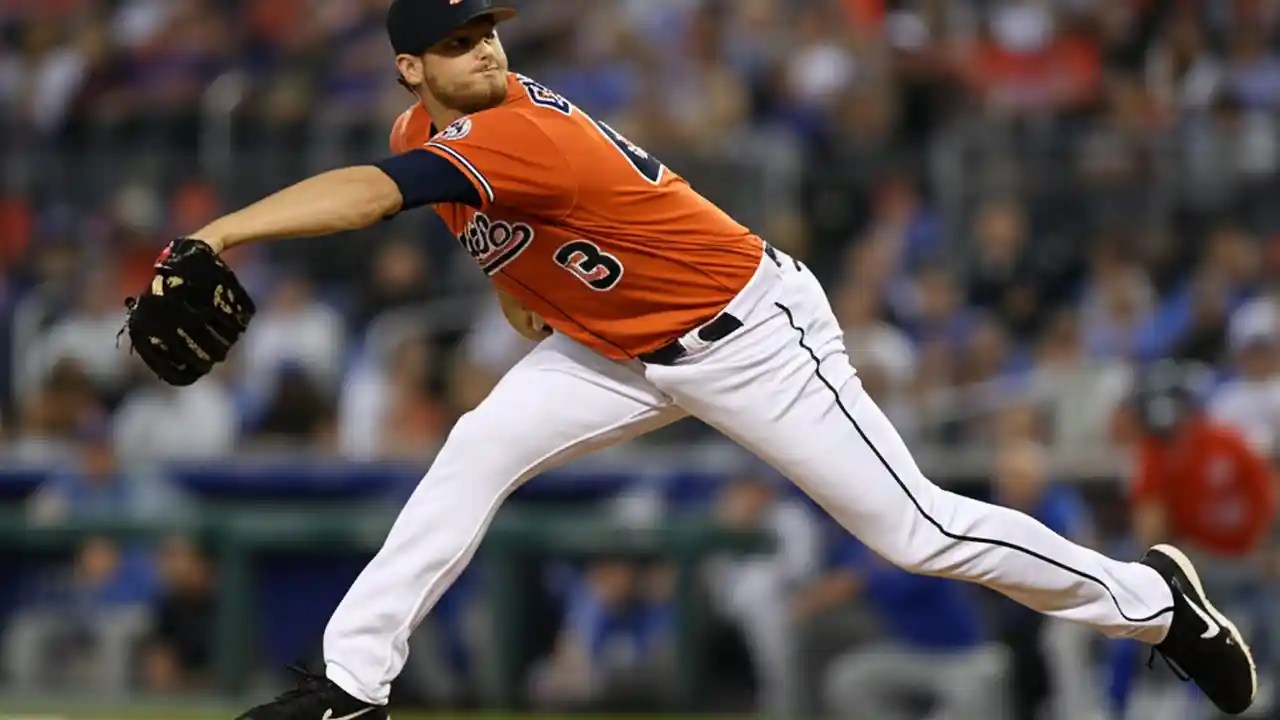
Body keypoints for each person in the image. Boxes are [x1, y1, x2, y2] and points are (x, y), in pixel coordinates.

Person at [144, 2, 1253, 717]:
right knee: (475, 446)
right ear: (408, 69)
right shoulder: (422, 136)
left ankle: (1154, 602)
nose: (483, 46)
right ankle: (348, 683)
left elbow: (370, 204)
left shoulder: (524, 128)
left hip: (752, 338)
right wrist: (519, 287)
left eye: (488, 28)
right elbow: (474, 222)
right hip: (610, 348)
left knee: (914, 532)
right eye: (454, 40)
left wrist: (219, 232)